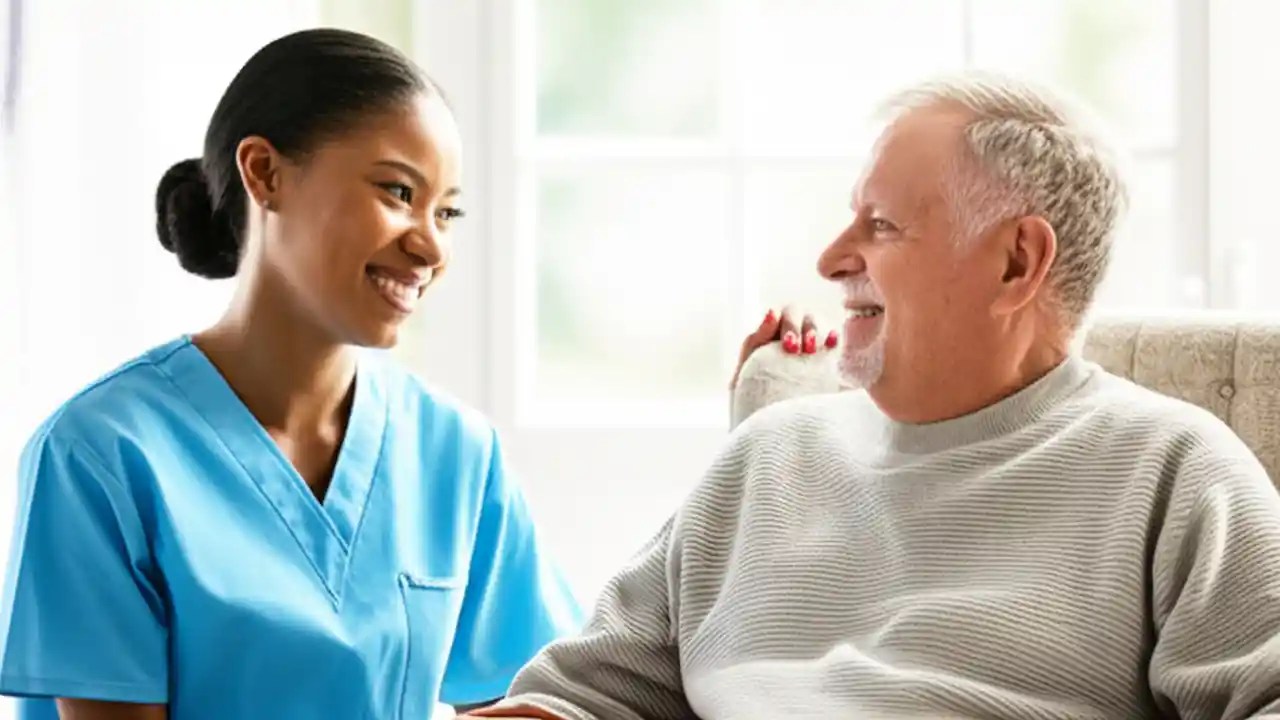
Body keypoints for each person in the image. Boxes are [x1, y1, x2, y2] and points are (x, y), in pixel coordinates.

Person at [0, 28, 830, 720]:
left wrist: (764, 448)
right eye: (397, 192)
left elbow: (562, 697)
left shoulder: (456, 455)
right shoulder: (99, 457)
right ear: (265, 174)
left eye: (447, 211)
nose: (431, 245)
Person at [467, 73, 1280, 720]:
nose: (829, 259)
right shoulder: (769, 455)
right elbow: (580, 698)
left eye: (881, 225)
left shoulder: (1175, 471)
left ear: (1016, 263)